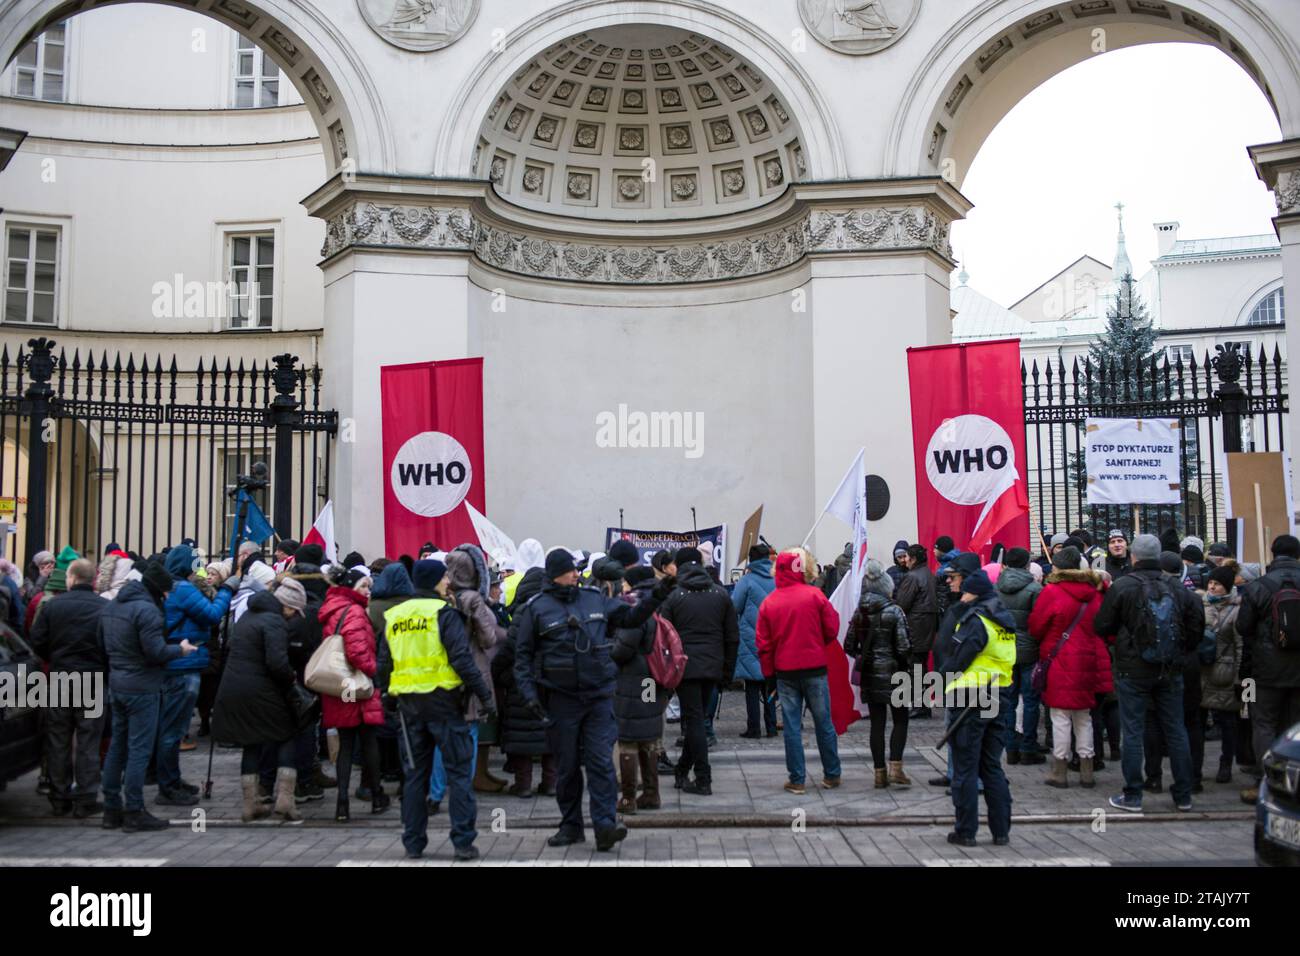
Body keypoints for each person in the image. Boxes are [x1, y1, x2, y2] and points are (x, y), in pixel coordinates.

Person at [512, 547, 674, 850]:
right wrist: (529, 695)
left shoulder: (593, 598)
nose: (576, 574)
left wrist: (657, 595)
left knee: (600, 762)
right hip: (560, 700)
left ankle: (604, 827)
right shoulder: (537, 608)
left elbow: (630, 616)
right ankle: (571, 826)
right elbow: (522, 658)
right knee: (568, 768)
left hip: (598, 696)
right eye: (570, 570)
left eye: (576, 570)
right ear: (555, 573)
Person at [378, 559, 494, 860]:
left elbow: (384, 665)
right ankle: (463, 843)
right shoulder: (444, 614)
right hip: (444, 703)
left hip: (408, 706)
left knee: (415, 777)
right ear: (433, 581)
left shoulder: (394, 616)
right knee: (458, 775)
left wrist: (387, 699)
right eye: (444, 578)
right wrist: (484, 695)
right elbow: (461, 659)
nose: (449, 583)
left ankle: (413, 843)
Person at [1092, 533, 1204, 812]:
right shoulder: (1177, 587)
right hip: (1170, 668)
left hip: (1132, 669)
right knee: (1176, 729)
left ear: (1133, 556)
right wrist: (1180, 651)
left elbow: (1102, 625)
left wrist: (1122, 643)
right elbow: (1196, 626)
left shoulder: (1123, 586)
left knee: (1133, 731)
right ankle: (1183, 794)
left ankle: (1133, 794)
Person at [99, 561, 198, 831]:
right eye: (166, 592)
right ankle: (134, 811)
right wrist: (181, 649)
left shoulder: (111, 607)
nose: (167, 597)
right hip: (142, 687)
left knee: (117, 747)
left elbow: (101, 645)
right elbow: (155, 651)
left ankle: (111, 810)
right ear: (158, 590)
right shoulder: (147, 611)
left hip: (117, 684)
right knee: (139, 750)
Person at [211, 578, 309, 821]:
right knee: (287, 733)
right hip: (262, 691)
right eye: (294, 611)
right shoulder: (274, 621)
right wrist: (291, 678)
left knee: (251, 742)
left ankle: (250, 803)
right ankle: (285, 800)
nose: (294, 617)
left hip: (233, 687)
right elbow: (276, 663)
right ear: (286, 606)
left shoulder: (248, 616)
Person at [933, 559, 1016, 847]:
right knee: (991, 766)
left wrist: (937, 681)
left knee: (966, 767)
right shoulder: (1004, 620)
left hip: (971, 698)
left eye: (965, 591)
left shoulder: (976, 620)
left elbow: (959, 660)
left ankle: (966, 831)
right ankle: (1001, 831)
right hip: (1000, 695)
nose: (961, 595)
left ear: (975, 593)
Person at [158, 543, 238, 808]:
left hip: (177, 663)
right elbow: (213, 615)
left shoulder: (169, 587)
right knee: (174, 729)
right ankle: (168, 786)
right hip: (184, 664)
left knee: (174, 727)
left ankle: (173, 779)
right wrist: (227, 590)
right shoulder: (182, 589)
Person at [756, 548, 842, 795]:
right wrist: (817, 642)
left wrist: (769, 675)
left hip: (785, 671)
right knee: (824, 723)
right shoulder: (815, 596)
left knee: (792, 726)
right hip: (815, 667)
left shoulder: (769, 603)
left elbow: (764, 645)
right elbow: (832, 628)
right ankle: (832, 774)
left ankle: (797, 779)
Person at [658, 546, 739, 796]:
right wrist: (727, 673)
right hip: (713, 665)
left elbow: (662, 639)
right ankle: (683, 770)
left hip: (685, 668)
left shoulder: (674, 596)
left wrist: (664, 674)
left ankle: (703, 778)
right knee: (697, 718)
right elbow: (732, 637)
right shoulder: (720, 594)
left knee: (694, 720)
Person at [29, 559, 106, 817]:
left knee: (58, 739)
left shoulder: (52, 607)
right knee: (88, 740)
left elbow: (36, 641)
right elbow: (109, 645)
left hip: (61, 676)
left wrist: (55, 656)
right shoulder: (103, 607)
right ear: (93, 579)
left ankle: (59, 796)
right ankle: (86, 798)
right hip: (92, 678)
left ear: (71, 578)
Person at [1028, 547, 1108, 789]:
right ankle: (1086, 770)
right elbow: (1102, 624)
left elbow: (1036, 626)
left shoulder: (1052, 592)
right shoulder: (1094, 593)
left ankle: (1059, 769)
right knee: (1084, 716)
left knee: (1060, 716)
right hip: (1088, 660)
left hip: (1059, 660)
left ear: (1057, 568)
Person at [319, 564, 388, 821]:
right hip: (356, 686)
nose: (368, 591)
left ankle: (342, 804)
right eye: (363, 586)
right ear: (351, 588)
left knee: (346, 744)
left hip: (338, 686)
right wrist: (376, 672)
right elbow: (358, 653)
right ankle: (376, 795)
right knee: (368, 741)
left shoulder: (332, 608)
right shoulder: (355, 612)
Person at [1234, 534, 1300, 803]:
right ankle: (1293, 780)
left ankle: (1265, 781)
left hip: (1266, 669)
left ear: (1272, 553)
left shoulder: (1259, 586)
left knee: (1263, 724)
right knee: (1294, 726)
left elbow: (1243, 628)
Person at [441, 544, 508, 796]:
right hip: (475, 665)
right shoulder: (473, 599)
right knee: (475, 721)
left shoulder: (443, 597)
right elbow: (488, 638)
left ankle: (459, 778)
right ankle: (471, 777)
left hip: (446, 668)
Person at [844, 560, 910, 788]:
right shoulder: (895, 611)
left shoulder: (859, 611)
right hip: (896, 673)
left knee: (877, 724)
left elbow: (848, 645)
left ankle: (879, 774)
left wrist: (866, 655)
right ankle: (896, 769)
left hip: (871, 674)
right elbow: (903, 648)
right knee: (900, 720)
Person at [492, 567, 556, 799]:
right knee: (551, 735)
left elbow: (510, 650)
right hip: (552, 681)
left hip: (522, 682)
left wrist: (500, 675)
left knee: (522, 735)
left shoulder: (522, 612)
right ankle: (551, 783)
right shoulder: (555, 609)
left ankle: (523, 784)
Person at [611, 565, 669, 812]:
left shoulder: (637, 607)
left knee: (628, 738)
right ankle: (651, 793)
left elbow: (622, 650)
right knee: (649, 734)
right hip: (652, 678)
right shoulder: (661, 600)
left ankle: (627, 797)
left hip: (633, 678)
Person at [995, 547, 1045, 766]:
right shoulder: (1035, 588)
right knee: (1031, 700)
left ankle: (1010, 747)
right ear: (1027, 564)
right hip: (1028, 650)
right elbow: (1039, 622)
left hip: (1004, 649)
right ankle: (1028, 747)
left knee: (1008, 700)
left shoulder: (996, 587)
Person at [1200, 563, 1244, 785]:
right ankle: (1196, 768)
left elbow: (1240, 646)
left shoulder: (1237, 609)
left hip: (1225, 674)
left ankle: (1226, 763)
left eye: (1217, 584)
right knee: (1198, 721)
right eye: (1210, 583)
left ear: (1227, 587)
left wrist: (1239, 678)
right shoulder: (1202, 604)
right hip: (1202, 673)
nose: (1212, 587)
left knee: (1228, 722)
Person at [731, 544, 777, 739]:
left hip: (751, 638)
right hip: (773, 637)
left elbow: (734, 606)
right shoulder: (777, 579)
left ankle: (754, 728)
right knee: (770, 685)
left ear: (751, 559)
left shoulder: (746, 581)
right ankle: (772, 727)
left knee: (751, 687)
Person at [895, 543, 939, 720]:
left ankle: (919, 705)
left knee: (915, 667)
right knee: (921, 667)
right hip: (927, 626)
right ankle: (923, 704)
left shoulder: (912, 577)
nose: (904, 561)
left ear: (913, 559)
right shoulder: (929, 574)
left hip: (915, 627)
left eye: (906, 557)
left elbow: (902, 603)